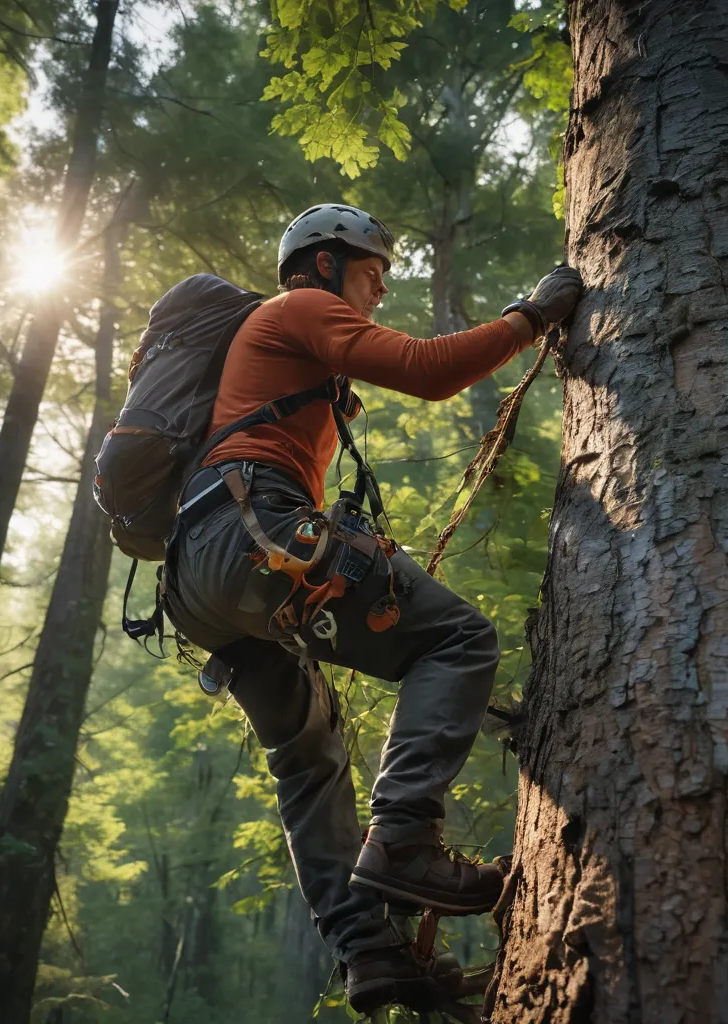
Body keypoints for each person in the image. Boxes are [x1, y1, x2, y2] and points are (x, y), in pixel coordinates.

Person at [163, 204, 583, 1013]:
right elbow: (430, 371)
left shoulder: (286, 347)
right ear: (324, 264)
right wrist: (532, 316)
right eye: (372, 270)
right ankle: (404, 842)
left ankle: (370, 949)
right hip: (251, 530)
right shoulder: (298, 305)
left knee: (308, 760)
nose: (381, 290)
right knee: (457, 640)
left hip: (199, 581)